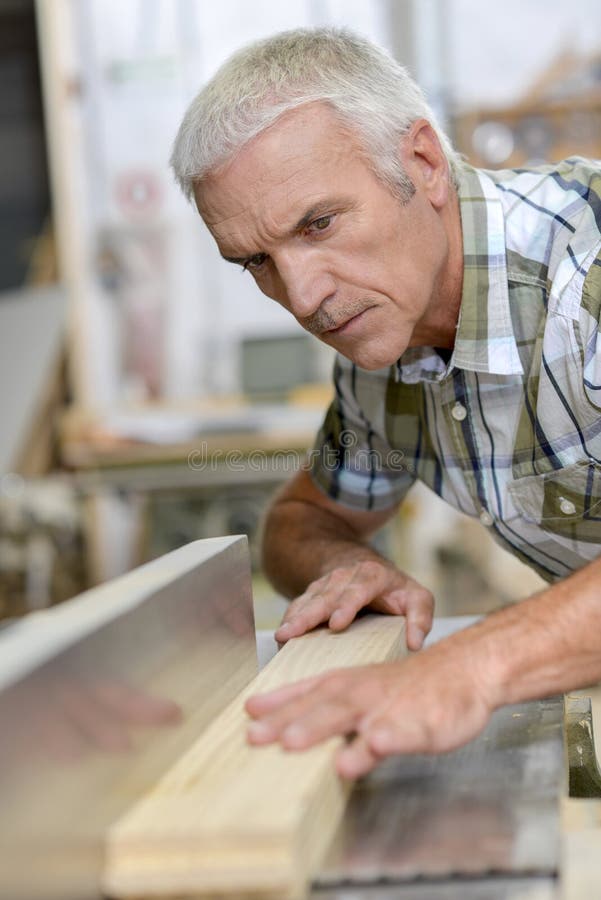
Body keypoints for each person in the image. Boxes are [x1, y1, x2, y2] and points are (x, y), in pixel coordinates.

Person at [170, 27, 601, 778]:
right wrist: (342, 564)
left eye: (319, 224)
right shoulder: (382, 356)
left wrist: (469, 665)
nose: (304, 297)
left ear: (423, 164)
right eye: (256, 263)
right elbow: (301, 521)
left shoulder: (584, 278)